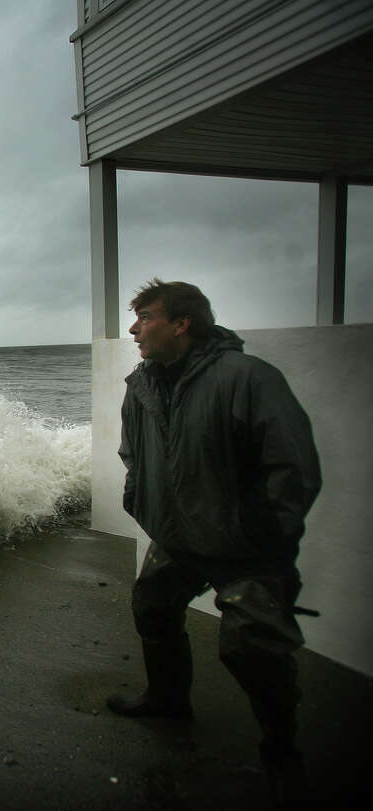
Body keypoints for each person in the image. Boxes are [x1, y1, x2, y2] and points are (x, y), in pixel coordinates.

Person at [109, 279, 321, 807]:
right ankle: (167, 699)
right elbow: (131, 452)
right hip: (178, 535)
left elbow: (292, 467)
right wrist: (145, 500)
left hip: (246, 545)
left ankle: (281, 752)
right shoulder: (141, 385)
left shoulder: (247, 378)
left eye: (147, 318)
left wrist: (268, 539)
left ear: (183, 323)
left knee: (251, 647)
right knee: (152, 605)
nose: (135, 329)